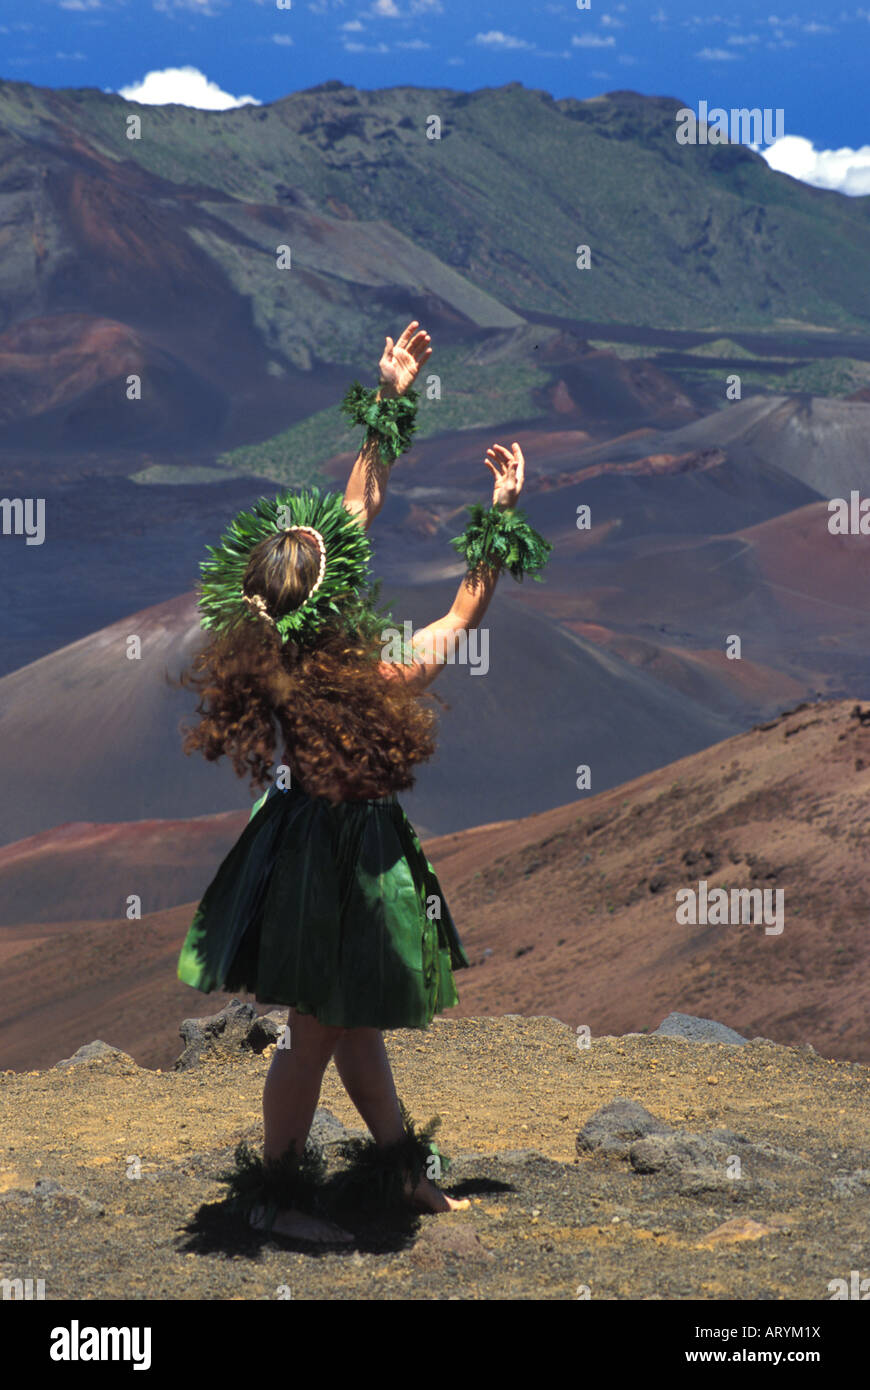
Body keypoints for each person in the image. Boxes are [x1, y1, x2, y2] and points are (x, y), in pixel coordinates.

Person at [175, 321, 551, 1243]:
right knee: (316, 1031)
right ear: (329, 593)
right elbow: (465, 607)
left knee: (350, 1027)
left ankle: (398, 1171)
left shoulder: (276, 644)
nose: (330, 533)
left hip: (297, 830)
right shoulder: (379, 674)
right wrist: (500, 512)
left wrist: (389, 400)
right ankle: (275, 1198)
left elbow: (353, 508)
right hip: (343, 855)